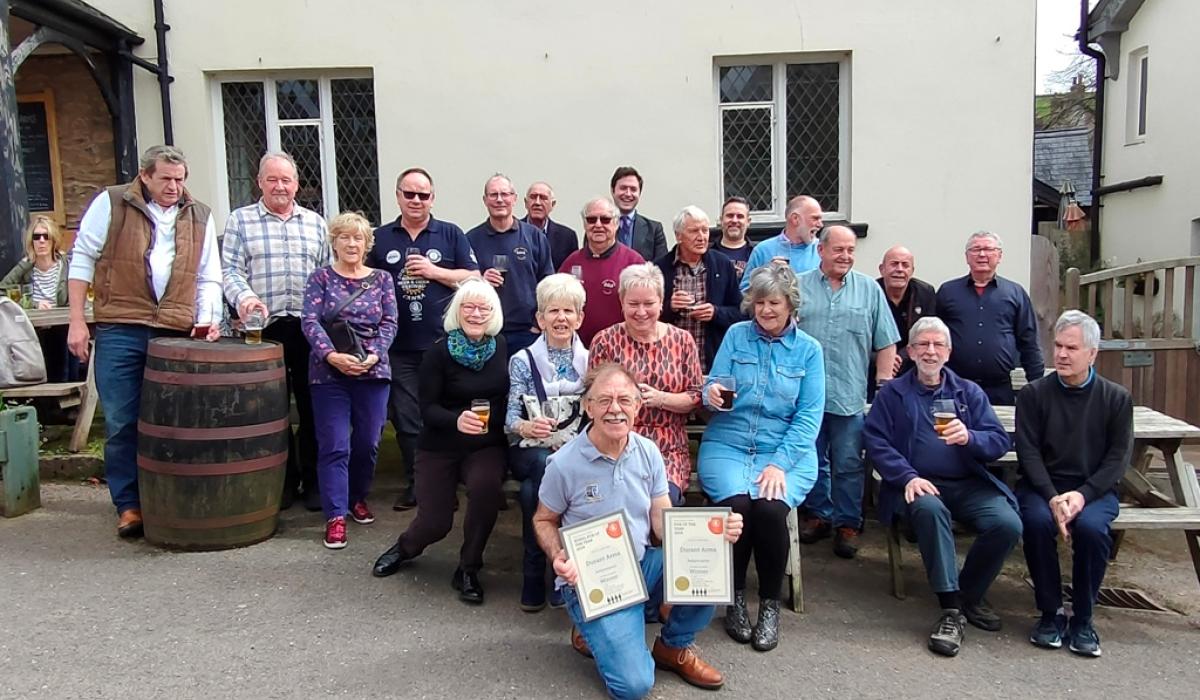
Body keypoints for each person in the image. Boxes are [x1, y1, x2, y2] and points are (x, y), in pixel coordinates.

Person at [534, 362, 744, 698]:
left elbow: (662, 522)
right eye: (604, 400)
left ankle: (673, 646)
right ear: (587, 406)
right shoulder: (564, 463)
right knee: (634, 685)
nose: (614, 409)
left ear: (638, 406)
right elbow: (543, 520)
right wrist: (559, 556)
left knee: (710, 569)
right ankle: (592, 624)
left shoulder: (648, 451)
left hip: (642, 563)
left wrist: (709, 535)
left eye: (624, 400)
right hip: (592, 579)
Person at [66, 145, 222, 538]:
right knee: (121, 420)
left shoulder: (199, 214)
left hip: (174, 330)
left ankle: (165, 497)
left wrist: (205, 322)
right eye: (166, 178)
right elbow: (82, 258)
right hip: (121, 325)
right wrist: (77, 322)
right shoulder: (113, 202)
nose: (174, 187)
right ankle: (129, 503)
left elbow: (208, 277)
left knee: (171, 422)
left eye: (180, 179)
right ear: (146, 176)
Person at [864, 316, 1020, 657]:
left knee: (1007, 523)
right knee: (931, 509)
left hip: (967, 482)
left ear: (948, 352)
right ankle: (951, 610)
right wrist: (907, 476)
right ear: (910, 351)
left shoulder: (968, 392)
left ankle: (970, 594)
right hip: (918, 484)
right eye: (923, 345)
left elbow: (998, 441)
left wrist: (970, 436)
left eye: (937, 345)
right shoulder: (893, 394)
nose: (930, 352)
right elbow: (876, 441)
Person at [699, 264, 825, 652]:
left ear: (790, 305)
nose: (766, 310)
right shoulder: (736, 336)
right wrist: (712, 394)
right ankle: (734, 599)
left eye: (774, 302)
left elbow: (809, 417)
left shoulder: (809, 350)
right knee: (738, 507)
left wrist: (779, 464)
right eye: (759, 302)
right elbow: (712, 383)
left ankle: (769, 605)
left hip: (784, 450)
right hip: (729, 444)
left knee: (771, 509)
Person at [372, 279, 509, 605]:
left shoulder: (501, 345)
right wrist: (456, 418)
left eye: (483, 307)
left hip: (485, 444)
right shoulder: (438, 352)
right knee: (436, 522)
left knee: (486, 490)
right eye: (468, 306)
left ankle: (468, 569)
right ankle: (406, 547)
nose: (476, 314)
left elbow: (505, 396)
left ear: (493, 313)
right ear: (457, 311)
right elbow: (427, 408)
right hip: (440, 443)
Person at [1016, 310, 1131, 658]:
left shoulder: (1116, 398)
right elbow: (1028, 452)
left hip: (1094, 490)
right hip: (1043, 487)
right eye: (1058, 346)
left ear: (1092, 354)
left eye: (1072, 348)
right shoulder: (1034, 394)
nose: (1062, 354)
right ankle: (1050, 614)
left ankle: (1083, 618)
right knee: (1035, 522)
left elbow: (1118, 459)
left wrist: (1082, 497)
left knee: (1094, 531)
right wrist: (1053, 497)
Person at [222, 151, 331, 510]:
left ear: (297, 184)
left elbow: (326, 274)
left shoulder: (316, 223)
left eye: (286, 180)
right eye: (273, 179)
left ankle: (314, 483)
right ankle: (280, 483)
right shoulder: (241, 221)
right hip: (262, 329)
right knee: (270, 409)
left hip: (308, 327)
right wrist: (246, 299)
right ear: (260, 182)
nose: (280, 186)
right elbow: (231, 272)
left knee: (314, 407)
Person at [369, 167, 479, 511]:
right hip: (399, 345)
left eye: (423, 195)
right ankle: (417, 483)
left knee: (448, 412)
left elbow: (473, 277)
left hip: (443, 343)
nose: (416, 200)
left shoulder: (450, 234)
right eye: (409, 194)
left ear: (433, 197)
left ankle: (450, 481)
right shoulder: (380, 237)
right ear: (398, 195)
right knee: (407, 418)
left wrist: (435, 272)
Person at [796, 225, 900, 558]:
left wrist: (883, 386)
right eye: (838, 249)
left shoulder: (870, 290)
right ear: (821, 250)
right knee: (811, 459)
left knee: (849, 462)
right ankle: (818, 515)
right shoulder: (797, 287)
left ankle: (847, 523)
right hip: (805, 396)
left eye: (851, 250)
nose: (845, 256)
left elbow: (886, 342)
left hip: (849, 394)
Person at [301, 212, 398, 549]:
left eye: (358, 238)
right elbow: (310, 322)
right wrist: (332, 356)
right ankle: (336, 515)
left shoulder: (382, 279)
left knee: (369, 442)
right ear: (334, 242)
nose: (352, 244)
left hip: (373, 372)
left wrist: (372, 355)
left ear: (367, 243)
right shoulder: (320, 279)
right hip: (329, 374)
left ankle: (357, 496)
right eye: (345, 237)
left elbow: (389, 322)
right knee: (335, 445)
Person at [505, 273, 588, 612]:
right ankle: (554, 570)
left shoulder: (590, 359)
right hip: (531, 450)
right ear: (539, 319)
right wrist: (528, 426)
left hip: (574, 447)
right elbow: (509, 421)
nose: (561, 319)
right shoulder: (522, 360)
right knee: (544, 465)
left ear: (580, 317)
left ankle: (537, 570)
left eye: (568, 311)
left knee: (531, 492)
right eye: (552, 311)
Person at [589, 264, 702, 504]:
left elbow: (696, 396)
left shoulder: (682, 341)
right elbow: (592, 399)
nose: (641, 312)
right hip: (616, 443)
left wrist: (661, 399)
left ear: (661, 302)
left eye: (648, 303)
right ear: (621, 302)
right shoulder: (605, 341)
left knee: (660, 504)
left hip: (667, 446)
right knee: (617, 502)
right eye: (633, 304)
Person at [936, 231, 1044, 405]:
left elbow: (1029, 342)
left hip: (999, 389)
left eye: (988, 249)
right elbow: (934, 339)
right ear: (966, 256)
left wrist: (1039, 386)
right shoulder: (947, 292)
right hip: (955, 386)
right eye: (975, 249)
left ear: (999, 255)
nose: (982, 254)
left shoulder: (1015, 293)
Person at [467, 174, 554, 356]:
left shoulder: (534, 236)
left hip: (526, 333)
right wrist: (480, 280)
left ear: (514, 199)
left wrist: (539, 323)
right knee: (489, 385)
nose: (500, 200)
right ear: (485, 200)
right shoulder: (471, 239)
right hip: (486, 332)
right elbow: (463, 287)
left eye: (505, 194)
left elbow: (548, 284)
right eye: (493, 195)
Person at [654, 205, 743, 372]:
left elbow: (741, 312)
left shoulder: (722, 264)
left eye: (705, 230)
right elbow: (646, 316)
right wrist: (670, 307)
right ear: (678, 236)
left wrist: (716, 313)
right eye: (694, 231)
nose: (701, 237)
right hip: (669, 361)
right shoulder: (660, 268)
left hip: (712, 360)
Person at [557, 197, 644, 345]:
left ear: (616, 224)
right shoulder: (571, 263)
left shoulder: (634, 263)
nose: (598, 225)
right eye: (591, 220)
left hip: (620, 348)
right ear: (584, 224)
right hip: (577, 350)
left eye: (605, 220)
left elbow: (645, 310)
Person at [2, 215, 75, 382]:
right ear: (31, 241)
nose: (41, 241)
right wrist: (33, 304)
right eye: (36, 237)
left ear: (53, 240)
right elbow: (2, 289)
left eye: (46, 236)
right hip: (34, 328)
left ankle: (63, 391)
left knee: (61, 340)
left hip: (62, 325)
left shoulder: (66, 264)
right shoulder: (26, 266)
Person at [871, 245, 936, 397]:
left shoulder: (925, 293)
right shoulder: (870, 292)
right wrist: (882, 358)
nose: (899, 269)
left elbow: (927, 332)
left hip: (912, 367)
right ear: (882, 269)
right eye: (894, 264)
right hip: (873, 370)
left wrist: (900, 357)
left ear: (912, 271)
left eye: (905, 265)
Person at [740, 195, 823, 291]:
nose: (820, 224)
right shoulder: (763, 250)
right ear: (795, 219)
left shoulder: (822, 251)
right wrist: (767, 276)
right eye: (815, 218)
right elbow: (744, 294)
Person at [610, 166, 668, 262]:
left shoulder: (654, 230)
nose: (628, 194)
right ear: (613, 191)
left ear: (639, 193)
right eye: (623, 188)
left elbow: (661, 268)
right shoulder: (597, 226)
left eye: (633, 189)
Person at [522, 181, 579, 270]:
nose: (537, 202)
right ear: (526, 203)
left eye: (543, 198)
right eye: (533, 197)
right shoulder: (512, 232)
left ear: (552, 204)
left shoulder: (567, 237)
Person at [712, 196, 754, 282]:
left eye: (740, 216)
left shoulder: (757, 253)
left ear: (748, 221)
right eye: (730, 215)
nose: (734, 220)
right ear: (721, 220)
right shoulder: (708, 253)